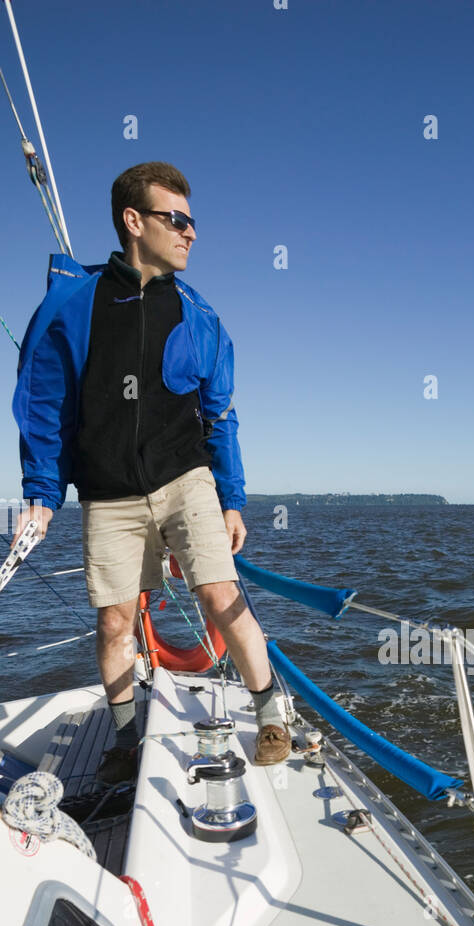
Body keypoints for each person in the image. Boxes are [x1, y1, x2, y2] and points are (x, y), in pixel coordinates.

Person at [10, 161, 291, 782]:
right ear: (133, 222)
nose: (191, 233)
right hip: (108, 495)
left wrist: (233, 499)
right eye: (178, 219)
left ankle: (272, 713)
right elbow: (44, 408)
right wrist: (40, 495)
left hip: (185, 481)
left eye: (193, 222)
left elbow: (220, 418)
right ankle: (125, 737)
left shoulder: (201, 317)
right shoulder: (68, 309)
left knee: (220, 594)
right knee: (114, 619)